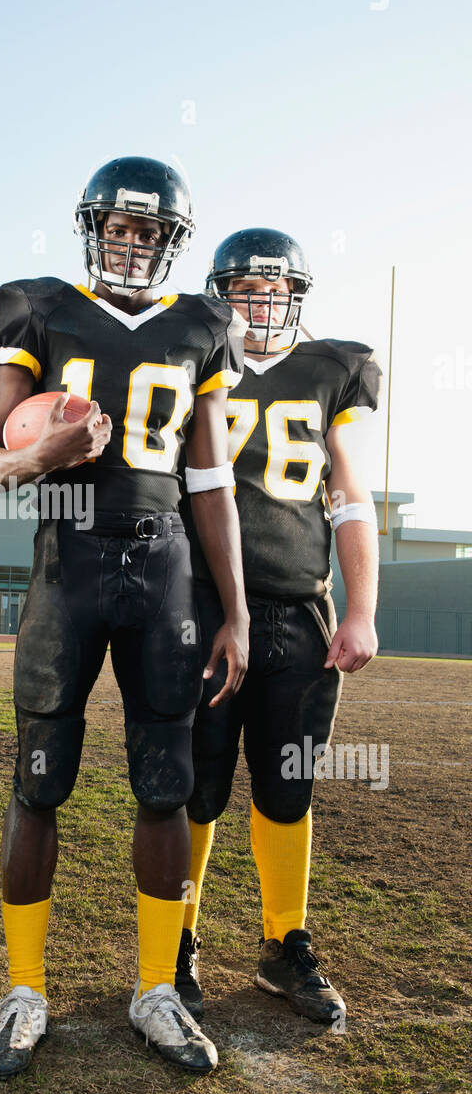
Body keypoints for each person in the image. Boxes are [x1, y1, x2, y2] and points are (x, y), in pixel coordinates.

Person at [0, 157, 249, 1079]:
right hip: (68, 559)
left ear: (174, 242)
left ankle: (157, 988)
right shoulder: (39, 308)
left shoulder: (204, 325)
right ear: (93, 229)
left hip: (164, 561)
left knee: (165, 780)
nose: (133, 244)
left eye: (150, 232)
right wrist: (42, 451)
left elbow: (208, 480)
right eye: (120, 229)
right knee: (39, 778)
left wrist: (235, 609)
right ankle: (23, 988)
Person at [175, 228, 381, 1026]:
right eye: (244, 290)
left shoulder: (335, 369)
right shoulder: (194, 357)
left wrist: (359, 609)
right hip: (200, 605)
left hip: (296, 606)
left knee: (287, 784)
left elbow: (352, 496)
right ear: (220, 296)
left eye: (273, 289)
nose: (258, 304)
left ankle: (281, 941)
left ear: (296, 294)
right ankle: (179, 936)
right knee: (196, 782)